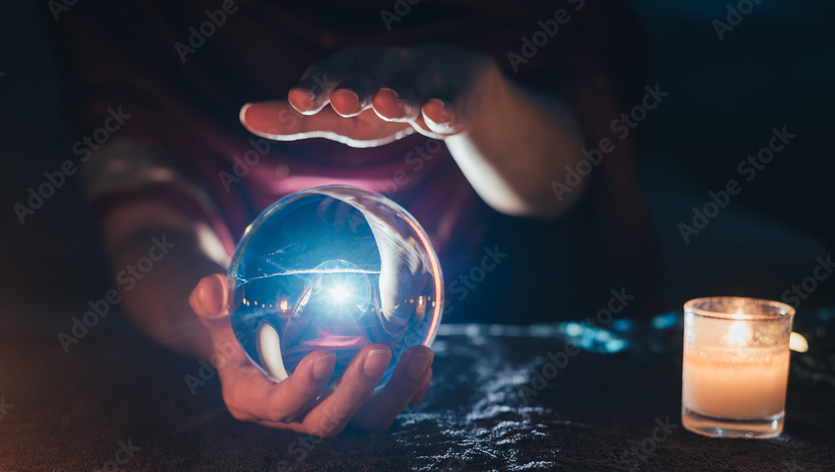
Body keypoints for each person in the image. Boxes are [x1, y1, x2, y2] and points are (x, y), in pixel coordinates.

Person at [51, 0, 660, 436]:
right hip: (263, 312)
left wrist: (480, 101)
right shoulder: (149, 21)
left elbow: (562, 181)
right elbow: (146, 223)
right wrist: (218, 337)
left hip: (517, 298)